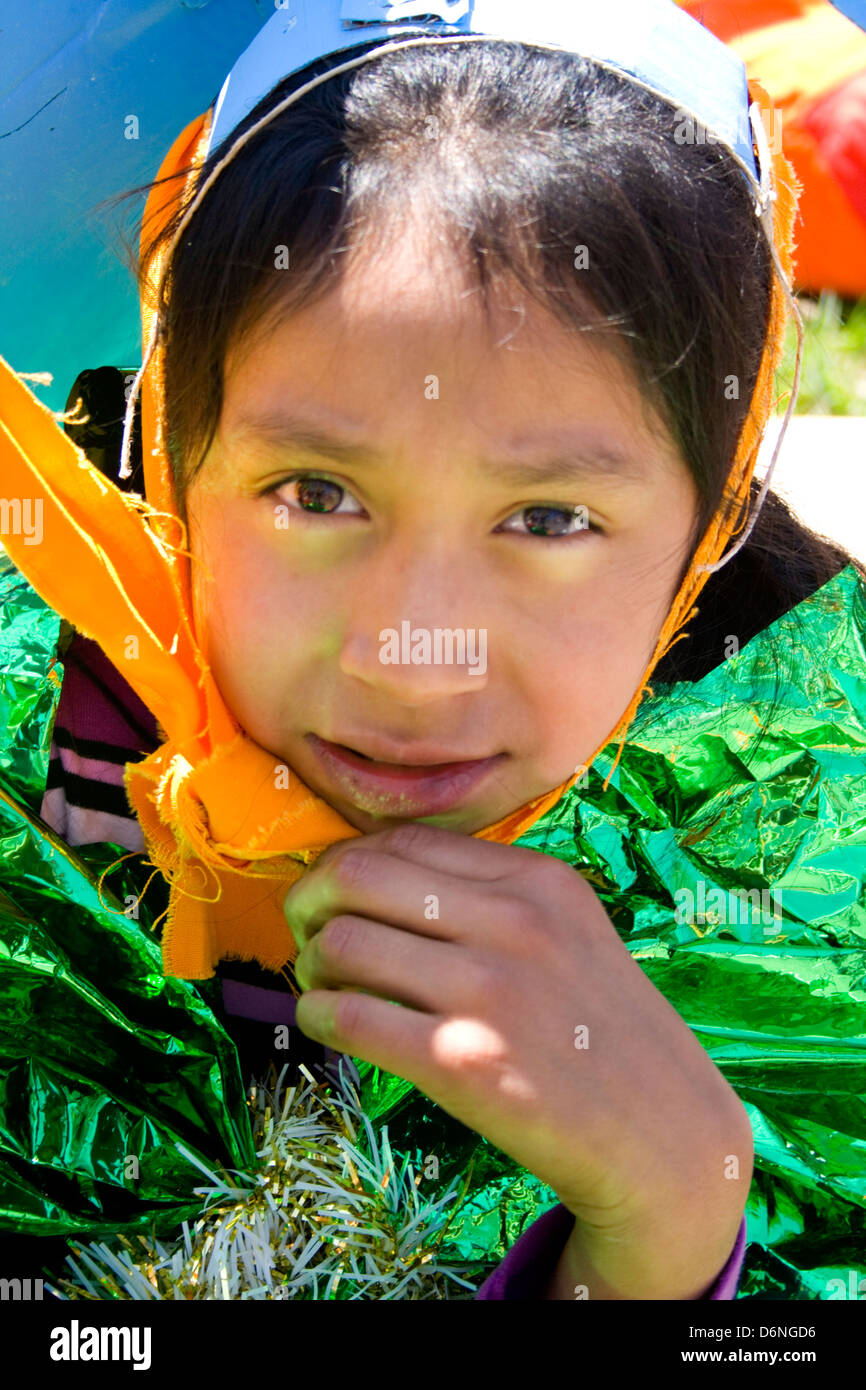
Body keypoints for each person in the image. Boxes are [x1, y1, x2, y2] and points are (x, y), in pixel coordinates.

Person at [0, 7, 864, 1301]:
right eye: (314, 493)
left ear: (711, 520)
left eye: (549, 519)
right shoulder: (36, 691)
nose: (412, 655)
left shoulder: (797, 831)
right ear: (177, 447)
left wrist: (675, 1216)